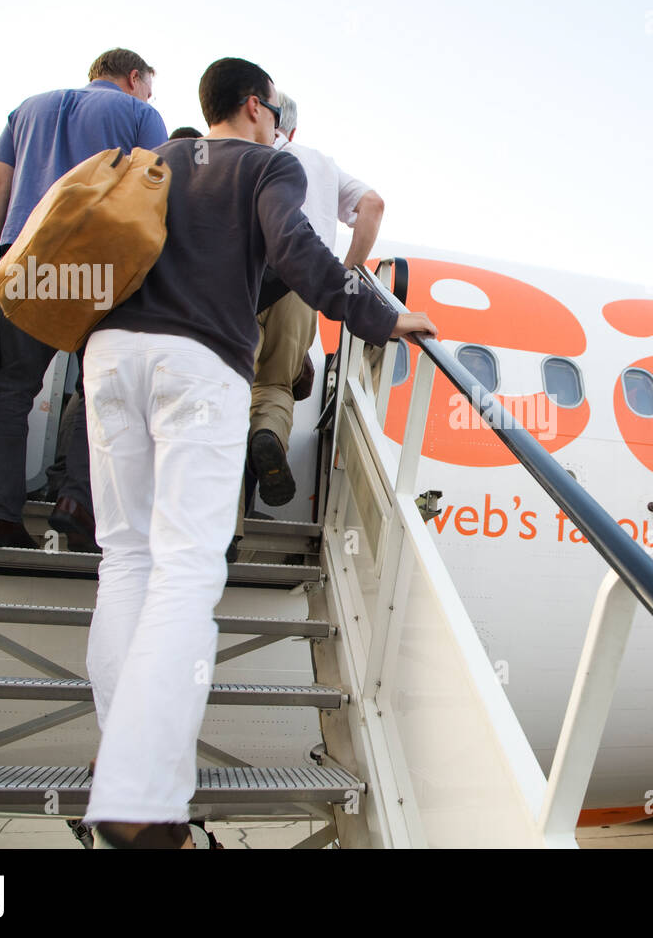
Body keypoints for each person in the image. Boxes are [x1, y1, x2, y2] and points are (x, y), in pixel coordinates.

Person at [80, 57, 435, 848]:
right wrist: (378, 315)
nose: (279, 125)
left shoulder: (160, 159)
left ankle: (123, 764)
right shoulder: (265, 163)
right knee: (183, 570)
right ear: (253, 107)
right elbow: (299, 250)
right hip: (195, 365)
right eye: (275, 111)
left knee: (125, 561)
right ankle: (138, 797)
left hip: (108, 361)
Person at [0, 48, 168, 552]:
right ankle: (76, 503)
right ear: (133, 78)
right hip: (97, 263)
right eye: (149, 84)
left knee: (12, 386)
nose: (150, 94)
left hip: (24, 255)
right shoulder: (139, 114)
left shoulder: (27, 109)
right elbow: (162, 193)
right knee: (97, 385)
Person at [247, 90, 386, 506]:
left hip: (243, 282)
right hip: (300, 286)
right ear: (292, 127)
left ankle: (225, 522)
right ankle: (270, 434)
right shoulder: (321, 164)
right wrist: (346, 273)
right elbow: (373, 205)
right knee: (275, 385)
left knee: (230, 387)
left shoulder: (238, 152)